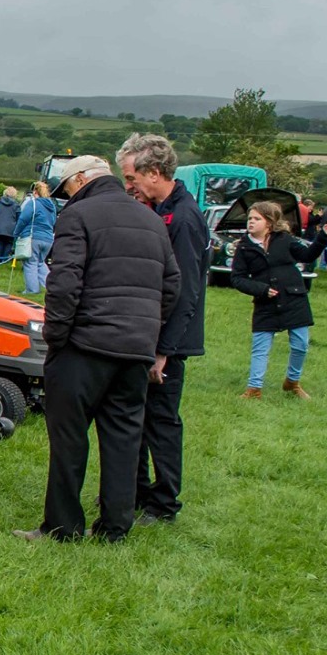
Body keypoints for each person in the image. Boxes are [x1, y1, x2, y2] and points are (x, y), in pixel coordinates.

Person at [14, 156, 180, 543]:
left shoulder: (79, 215)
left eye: (68, 187)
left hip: (84, 345)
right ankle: (115, 527)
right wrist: (146, 328)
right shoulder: (151, 219)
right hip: (135, 350)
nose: (67, 195)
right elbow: (172, 285)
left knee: (69, 437)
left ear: (83, 180)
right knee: (124, 438)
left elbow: (65, 282)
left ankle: (62, 525)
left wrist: (57, 336)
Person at [118, 133, 205, 525]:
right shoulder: (158, 209)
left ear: (154, 173)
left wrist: (163, 350)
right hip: (146, 334)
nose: (128, 186)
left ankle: (163, 504)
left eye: (132, 177)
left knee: (162, 422)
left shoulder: (184, 217)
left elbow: (186, 292)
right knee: (137, 417)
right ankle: (137, 494)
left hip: (165, 343)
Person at [229, 200, 327, 399]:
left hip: (294, 298)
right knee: (260, 347)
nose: (250, 222)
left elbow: (308, 255)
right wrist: (261, 289)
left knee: (300, 344)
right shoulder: (244, 247)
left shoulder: (285, 239)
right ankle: (254, 389)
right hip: (265, 303)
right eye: (249, 218)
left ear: (269, 222)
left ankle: (292, 382)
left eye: (256, 219)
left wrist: (324, 236)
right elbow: (237, 278)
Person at [18, 181, 57, 293]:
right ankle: (50, 287)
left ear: (35, 192)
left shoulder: (32, 203)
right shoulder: (52, 206)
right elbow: (53, 221)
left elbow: (23, 219)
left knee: (30, 263)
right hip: (48, 238)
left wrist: (17, 233)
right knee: (40, 262)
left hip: (34, 237)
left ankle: (32, 290)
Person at [0, 186, 22, 263]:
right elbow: (19, 218)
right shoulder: (16, 205)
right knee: (8, 244)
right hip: (11, 228)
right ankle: (5, 260)